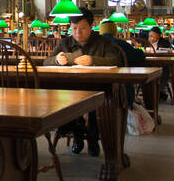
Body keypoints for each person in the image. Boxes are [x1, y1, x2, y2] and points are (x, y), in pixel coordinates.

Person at [43, 9, 122, 156]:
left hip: (97, 88)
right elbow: (46, 61)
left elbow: (116, 60)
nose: (78, 32)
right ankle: (77, 135)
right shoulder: (65, 43)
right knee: (64, 105)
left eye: (83, 28)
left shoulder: (103, 42)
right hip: (70, 89)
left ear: (92, 26)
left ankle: (92, 138)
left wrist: (93, 60)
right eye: (74, 28)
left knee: (97, 107)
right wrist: (56, 60)